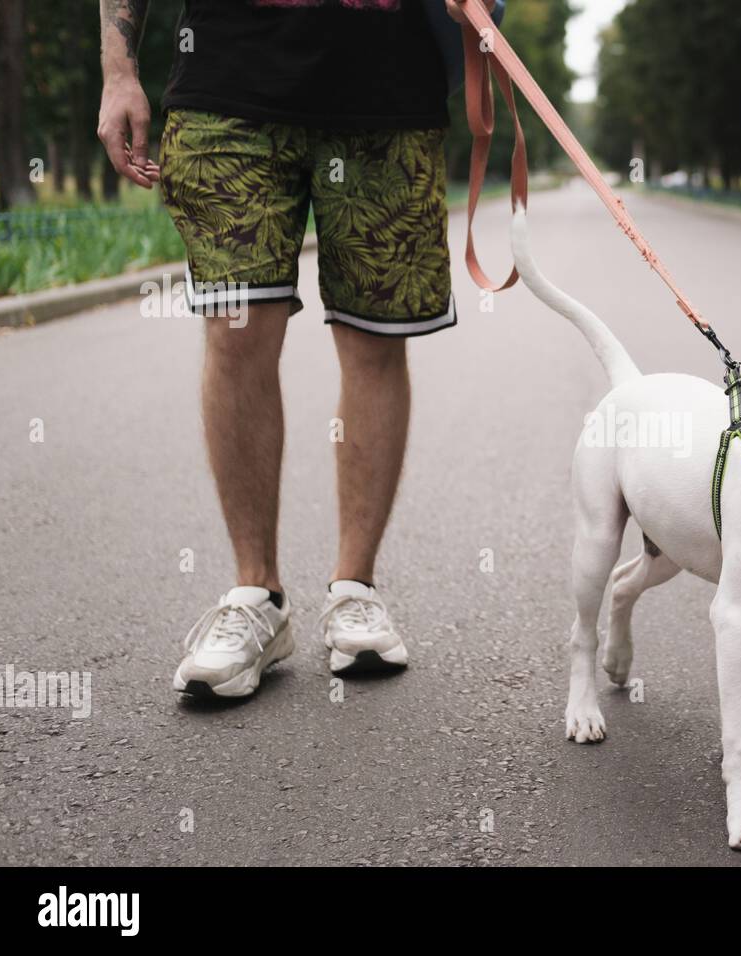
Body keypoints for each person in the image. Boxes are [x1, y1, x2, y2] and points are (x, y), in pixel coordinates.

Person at [96, 0, 491, 698]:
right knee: (236, 328)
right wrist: (118, 68)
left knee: (375, 340)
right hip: (230, 82)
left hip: (388, 92)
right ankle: (257, 597)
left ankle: (355, 590)